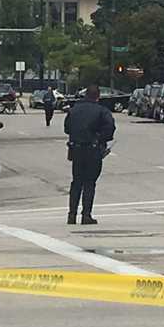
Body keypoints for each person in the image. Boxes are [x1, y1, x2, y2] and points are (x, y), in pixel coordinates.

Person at [63, 85, 116, 225]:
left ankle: (71, 215)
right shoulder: (102, 111)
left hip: (76, 149)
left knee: (76, 182)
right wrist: (100, 139)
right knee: (89, 183)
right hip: (93, 150)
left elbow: (67, 128)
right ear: (98, 96)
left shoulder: (74, 110)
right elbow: (110, 128)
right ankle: (86, 215)